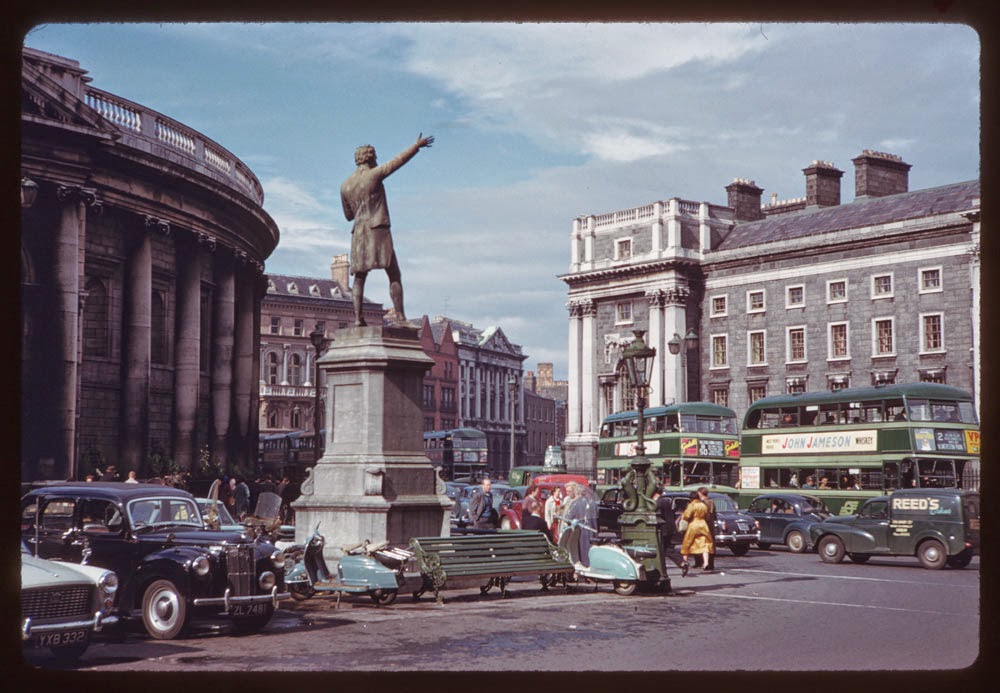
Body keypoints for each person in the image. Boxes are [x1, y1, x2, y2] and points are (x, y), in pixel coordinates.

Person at [340, 133, 434, 326]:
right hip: (377, 230)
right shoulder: (374, 175)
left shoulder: (345, 186)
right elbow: (397, 162)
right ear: (371, 158)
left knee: (359, 277)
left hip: (358, 233)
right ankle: (400, 316)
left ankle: (358, 319)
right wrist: (416, 146)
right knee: (393, 273)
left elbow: (348, 216)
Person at [655, 489, 688, 577]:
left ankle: (661, 569)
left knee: (660, 549)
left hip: (662, 529)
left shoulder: (657, 503)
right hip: (670, 528)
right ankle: (681, 562)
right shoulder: (666, 501)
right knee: (668, 549)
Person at [680, 491, 714, 573]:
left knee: (687, 542)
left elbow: (686, 516)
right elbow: (707, 515)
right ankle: (706, 563)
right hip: (703, 525)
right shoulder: (703, 505)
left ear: (691, 498)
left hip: (693, 524)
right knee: (705, 543)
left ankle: (684, 561)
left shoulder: (691, 505)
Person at [697, 487, 718, 571]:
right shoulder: (712, 502)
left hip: (704, 525)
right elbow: (715, 515)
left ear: (700, 494)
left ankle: (704, 562)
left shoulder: (702, 503)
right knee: (711, 543)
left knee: (703, 544)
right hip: (711, 525)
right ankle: (711, 563)